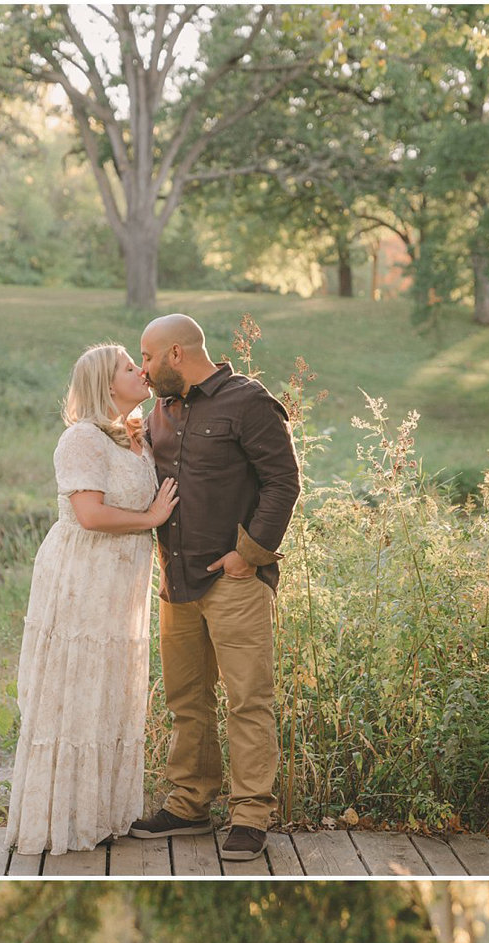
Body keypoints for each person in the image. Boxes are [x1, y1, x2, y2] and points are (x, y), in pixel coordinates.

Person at [128, 314, 301, 863]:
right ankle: (190, 804)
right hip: (174, 581)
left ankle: (250, 815)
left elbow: (283, 481)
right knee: (186, 700)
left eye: (149, 358)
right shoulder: (158, 410)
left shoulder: (248, 402)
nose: (144, 370)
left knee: (248, 700)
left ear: (177, 353)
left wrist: (247, 555)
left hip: (234, 581)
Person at [6, 344, 179, 857]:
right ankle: (61, 818)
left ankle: (100, 815)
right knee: (75, 690)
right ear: (106, 384)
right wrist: (150, 521)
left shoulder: (135, 435)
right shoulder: (81, 438)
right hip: (84, 576)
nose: (141, 371)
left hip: (121, 584)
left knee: (108, 689)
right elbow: (90, 515)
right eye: (130, 367)